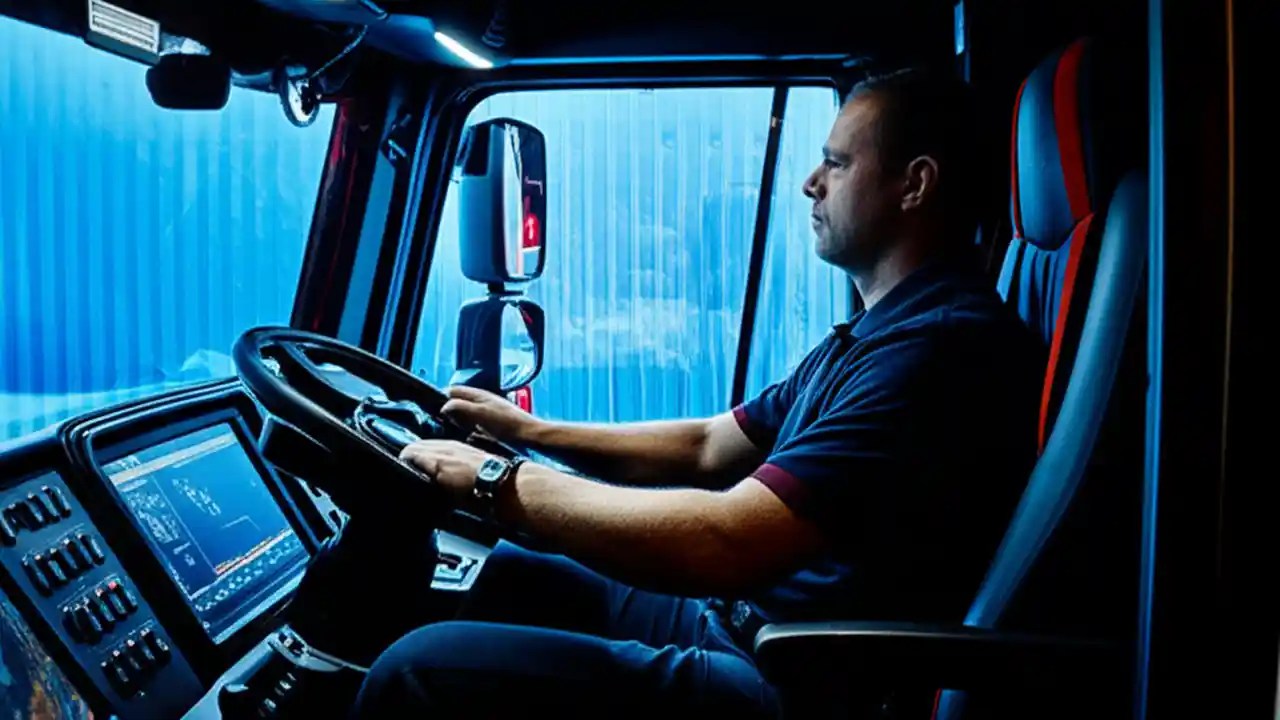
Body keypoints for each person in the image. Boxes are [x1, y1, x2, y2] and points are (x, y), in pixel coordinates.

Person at [348, 68, 1043, 717]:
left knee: (416, 671)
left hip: (787, 675)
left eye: (835, 163)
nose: (810, 183)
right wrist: (523, 432)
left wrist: (497, 482)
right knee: (517, 575)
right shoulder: (876, 332)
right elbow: (711, 445)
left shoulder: (935, 351)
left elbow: (725, 540)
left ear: (914, 185)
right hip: (743, 620)